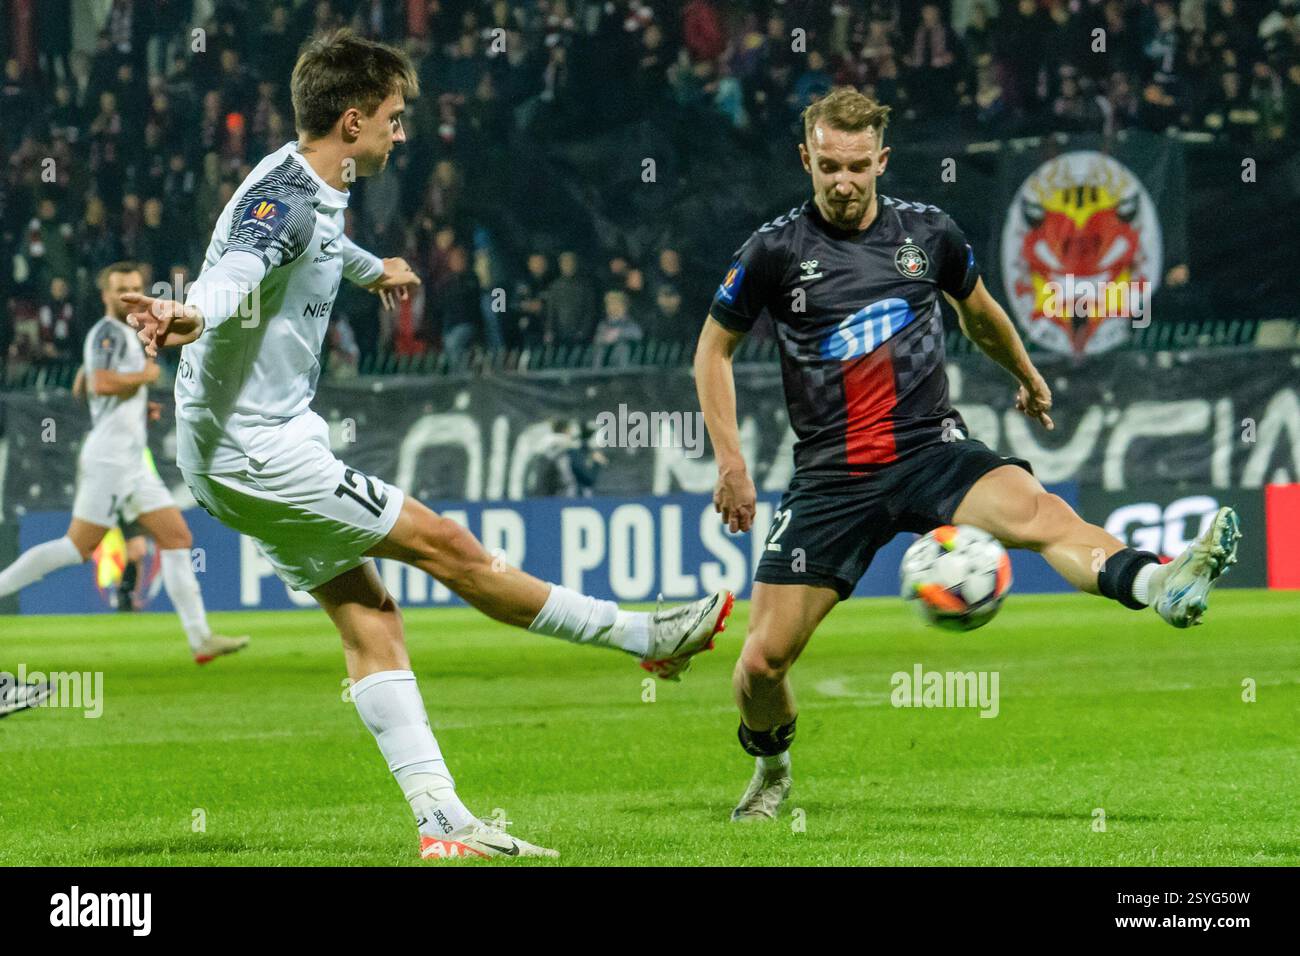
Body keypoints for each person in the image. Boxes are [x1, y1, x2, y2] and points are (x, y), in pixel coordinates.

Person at [124, 29, 733, 861]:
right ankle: (646, 639)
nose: (401, 133)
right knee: (452, 548)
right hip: (257, 448)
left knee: (372, 618)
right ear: (350, 121)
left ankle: (442, 822)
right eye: (394, 118)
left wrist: (375, 270)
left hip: (225, 448)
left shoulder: (304, 179)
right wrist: (188, 312)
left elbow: (317, 246)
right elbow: (236, 273)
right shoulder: (285, 202)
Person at [693, 86, 1240, 823]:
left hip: (929, 448)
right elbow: (712, 351)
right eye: (827, 166)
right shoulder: (774, 250)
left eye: (857, 166)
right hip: (832, 478)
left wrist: (1027, 373)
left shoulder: (929, 233)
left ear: (881, 159)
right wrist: (731, 462)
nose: (843, 182)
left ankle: (1159, 585)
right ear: (806, 159)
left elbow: (978, 313)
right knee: (760, 663)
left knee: (1040, 513)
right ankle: (773, 767)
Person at [0, 261, 248, 664]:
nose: (127, 294)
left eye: (134, 287)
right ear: (105, 295)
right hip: (110, 460)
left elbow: (90, 386)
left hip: (133, 461)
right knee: (76, 547)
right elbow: (99, 382)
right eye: (119, 288)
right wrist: (143, 378)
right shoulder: (108, 333)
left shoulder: (126, 335)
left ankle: (200, 638)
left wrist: (138, 404)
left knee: (177, 537)